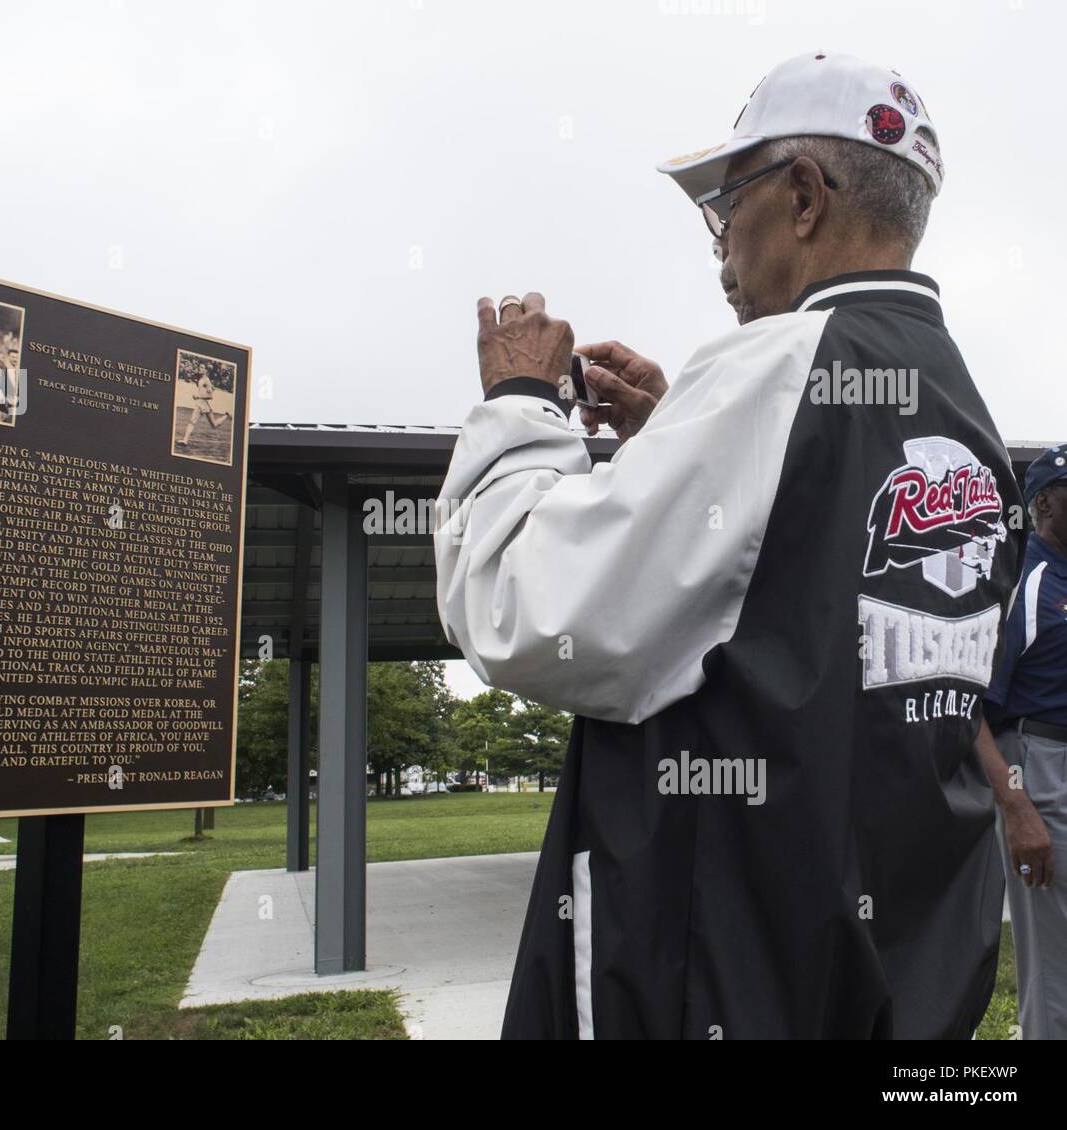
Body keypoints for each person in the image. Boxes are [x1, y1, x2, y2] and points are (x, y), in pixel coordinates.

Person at [434, 52, 1022, 1038]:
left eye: (725, 202)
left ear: (801, 197)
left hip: (731, 984)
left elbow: (520, 608)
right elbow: (827, 614)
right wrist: (671, 437)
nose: (719, 245)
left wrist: (519, 406)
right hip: (900, 995)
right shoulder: (964, 412)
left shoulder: (771, 370)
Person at [976, 445, 1067, 1038]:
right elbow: (969, 712)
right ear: (1044, 503)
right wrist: (1016, 807)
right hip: (1040, 766)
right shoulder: (1022, 583)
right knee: (1055, 967)